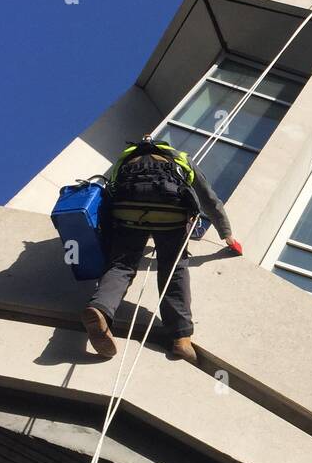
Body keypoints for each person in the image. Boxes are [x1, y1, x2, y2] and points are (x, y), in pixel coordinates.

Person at [81, 136, 239, 363]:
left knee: (121, 265)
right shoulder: (181, 158)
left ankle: (100, 308)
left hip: (128, 212)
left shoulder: (125, 161)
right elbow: (210, 199)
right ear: (165, 146)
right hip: (171, 213)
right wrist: (227, 234)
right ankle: (181, 338)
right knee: (174, 268)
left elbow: (110, 194)